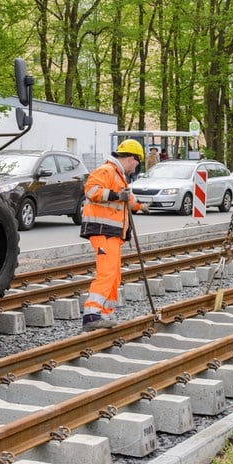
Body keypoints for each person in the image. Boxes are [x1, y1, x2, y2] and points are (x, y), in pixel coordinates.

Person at [79, 138, 146, 330]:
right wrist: (117, 196)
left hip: (113, 233)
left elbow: (128, 199)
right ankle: (91, 315)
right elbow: (91, 191)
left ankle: (105, 314)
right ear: (132, 158)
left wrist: (142, 206)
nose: (136, 168)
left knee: (114, 274)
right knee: (107, 272)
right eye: (137, 163)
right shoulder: (106, 170)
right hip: (103, 230)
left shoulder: (118, 176)